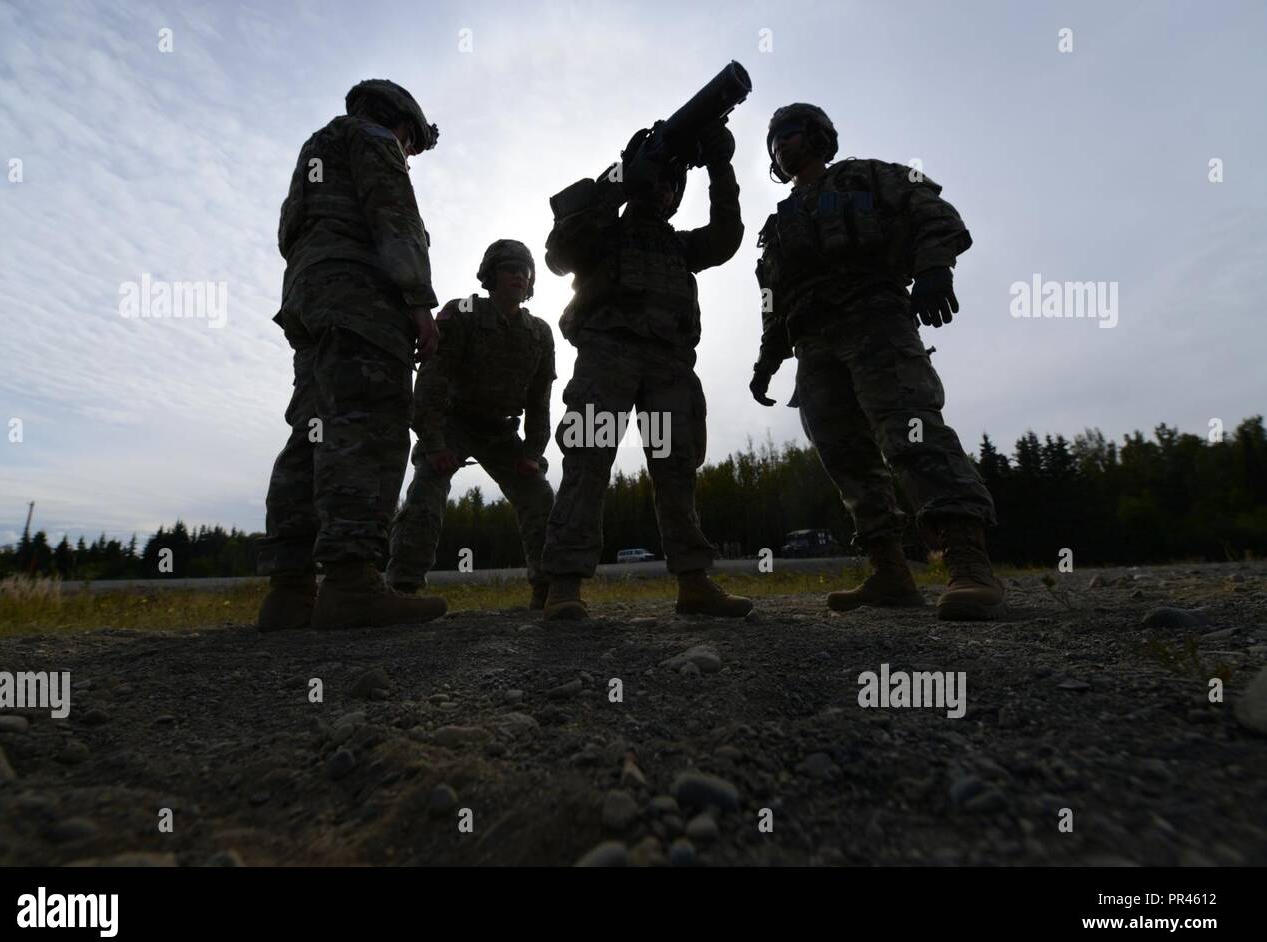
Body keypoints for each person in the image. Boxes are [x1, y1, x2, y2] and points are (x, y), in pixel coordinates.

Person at [750, 103, 1006, 621]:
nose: (781, 145)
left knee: (910, 432)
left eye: (790, 133)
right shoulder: (778, 223)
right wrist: (767, 358)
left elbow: (931, 208)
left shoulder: (866, 175)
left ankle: (968, 562)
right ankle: (890, 571)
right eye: (774, 140)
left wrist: (934, 269)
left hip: (875, 318)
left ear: (818, 137)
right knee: (846, 458)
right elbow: (773, 296)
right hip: (813, 345)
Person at [539, 119, 753, 621]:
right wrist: (613, 192)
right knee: (588, 461)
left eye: (671, 185)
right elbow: (558, 255)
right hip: (606, 357)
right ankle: (564, 586)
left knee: (677, 469)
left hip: (669, 364)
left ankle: (694, 583)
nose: (662, 191)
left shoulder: (678, 246)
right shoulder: (601, 226)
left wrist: (721, 167)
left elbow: (726, 237)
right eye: (655, 179)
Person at [256, 79, 448, 631]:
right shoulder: (372, 139)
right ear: (400, 122)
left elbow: (289, 233)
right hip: (358, 295)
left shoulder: (316, 147)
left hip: (309, 297)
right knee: (369, 422)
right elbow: (394, 216)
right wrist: (417, 301)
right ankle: (351, 585)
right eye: (411, 143)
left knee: (312, 430)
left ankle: (289, 591)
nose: (408, 153)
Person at [386, 240, 556, 608]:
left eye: (524, 271)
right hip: (453, 421)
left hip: (501, 431)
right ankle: (403, 587)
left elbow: (539, 400)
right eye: (509, 267)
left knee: (537, 494)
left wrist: (532, 452)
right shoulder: (462, 312)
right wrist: (433, 443)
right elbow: (433, 378)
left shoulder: (539, 332)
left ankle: (549, 587)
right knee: (426, 488)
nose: (518, 275)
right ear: (491, 275)